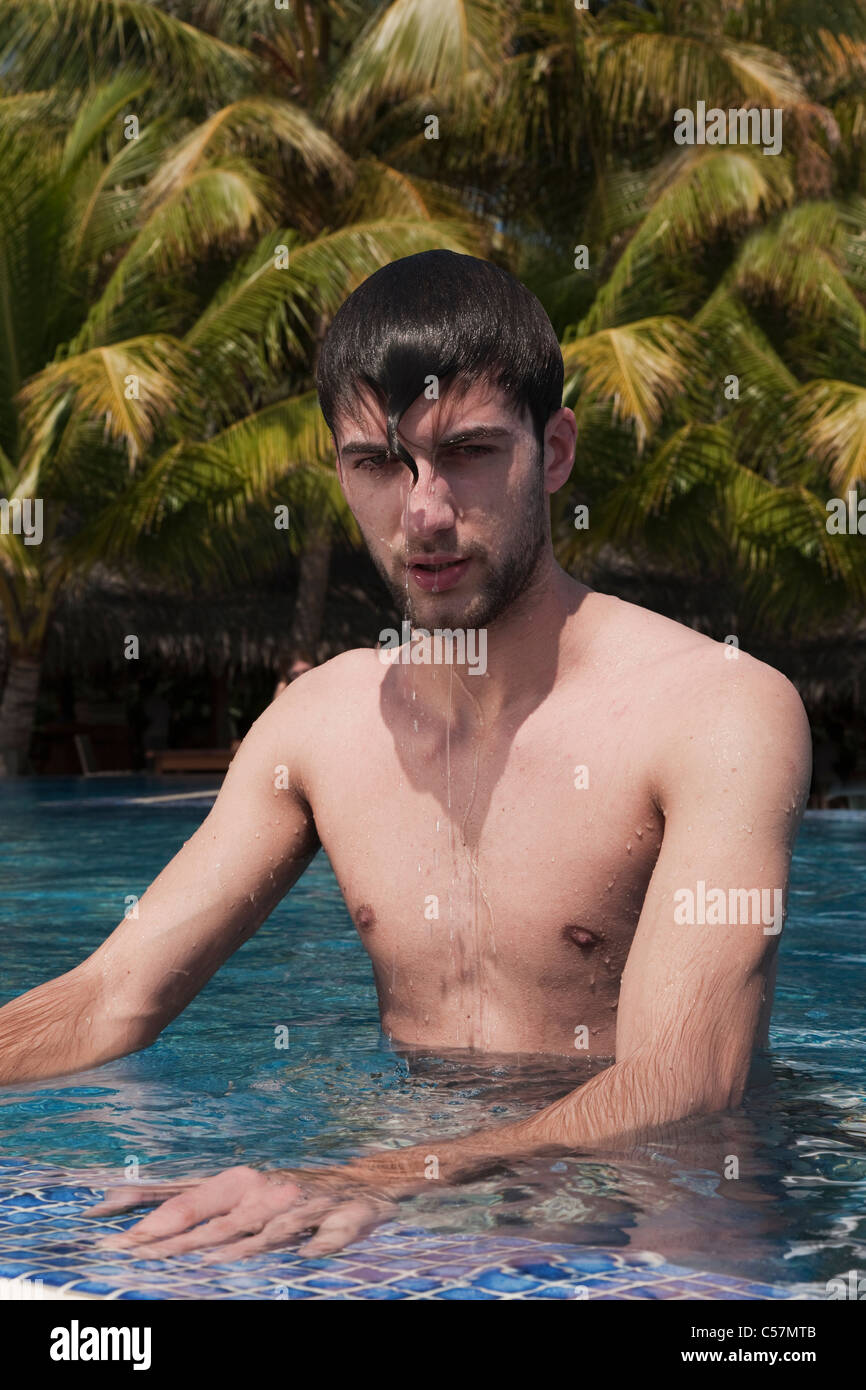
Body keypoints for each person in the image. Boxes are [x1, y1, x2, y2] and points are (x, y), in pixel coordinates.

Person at [0, 250, 811, 1261]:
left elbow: (687, 1081)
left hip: (658, 1183)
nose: (422, 513)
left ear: (553, 451)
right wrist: (379, 1179)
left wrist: (360, 1179)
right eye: (378, 464)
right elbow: (114, 995)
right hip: (411, 1172)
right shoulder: (316, 723)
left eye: (467, 452)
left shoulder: (717, 710)